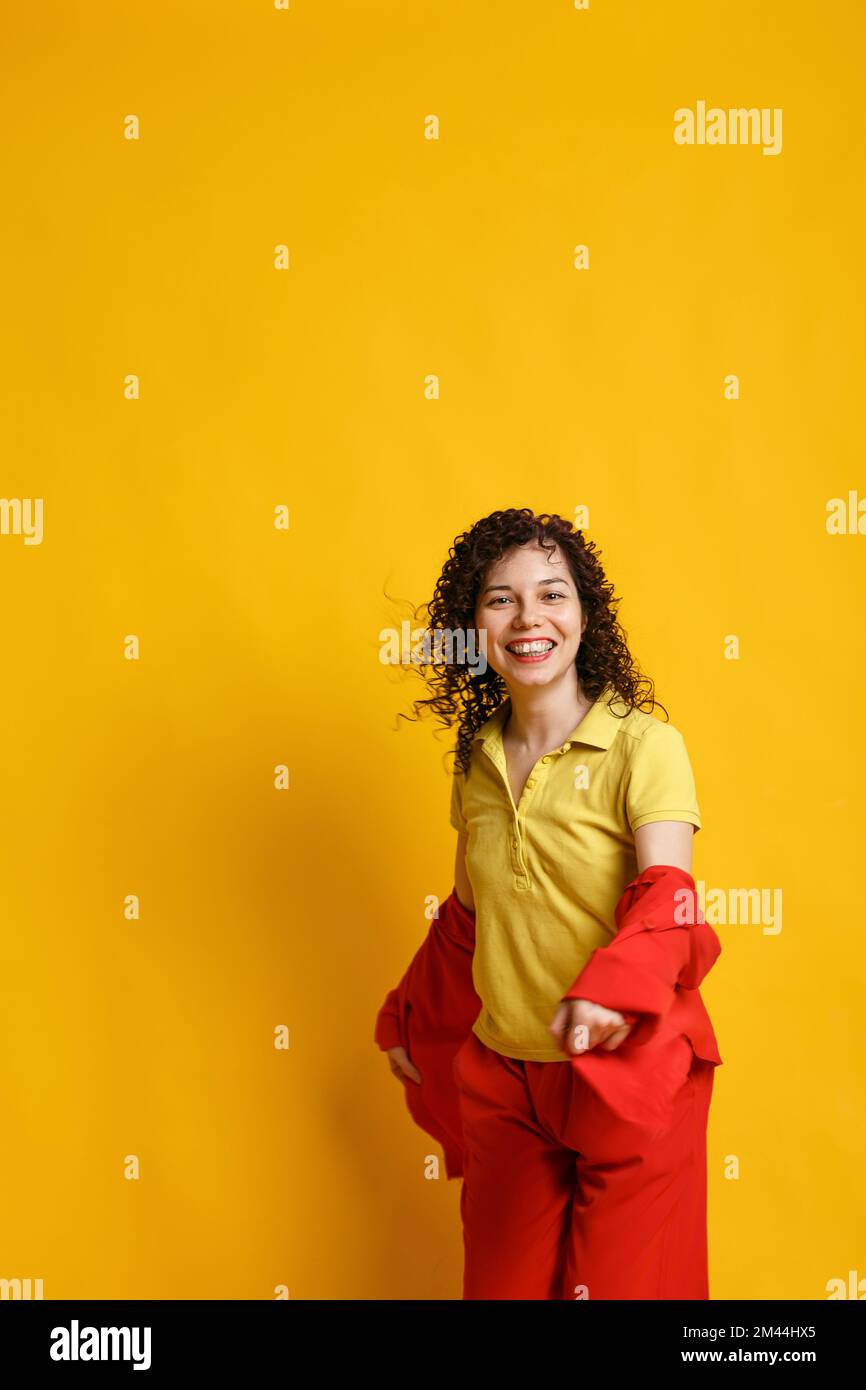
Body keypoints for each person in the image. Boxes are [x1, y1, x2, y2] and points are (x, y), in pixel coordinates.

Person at [382, 507, 722, 1300]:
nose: (529, 617)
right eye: (500, 599)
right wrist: (409, 1015)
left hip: (631, 1073)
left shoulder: (645, 746)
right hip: (508, 1079)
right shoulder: (475, 759)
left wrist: (609, 995)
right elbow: (468, 917)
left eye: (552, 594)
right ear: (473, 628)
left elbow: (670, 899)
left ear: (584, 615)